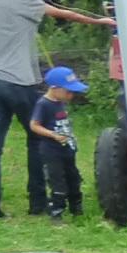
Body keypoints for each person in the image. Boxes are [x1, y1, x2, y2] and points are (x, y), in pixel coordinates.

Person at [0, 0, 112, 218]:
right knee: (36, 138)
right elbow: (64, 14)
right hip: (19, 81)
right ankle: (38, 203)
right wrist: (99, 22)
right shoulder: (24, 0)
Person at [28, 66, 89, 219]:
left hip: (66, 149)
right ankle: (56, 212)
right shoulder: (43, 104)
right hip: (51, 151)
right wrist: (52, 135)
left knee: (73, 178)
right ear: (55, 88)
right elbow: (34, 125)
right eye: (68, 91)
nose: (71, 95)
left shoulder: (60, 102)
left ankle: (77, 209)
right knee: (58, 181)